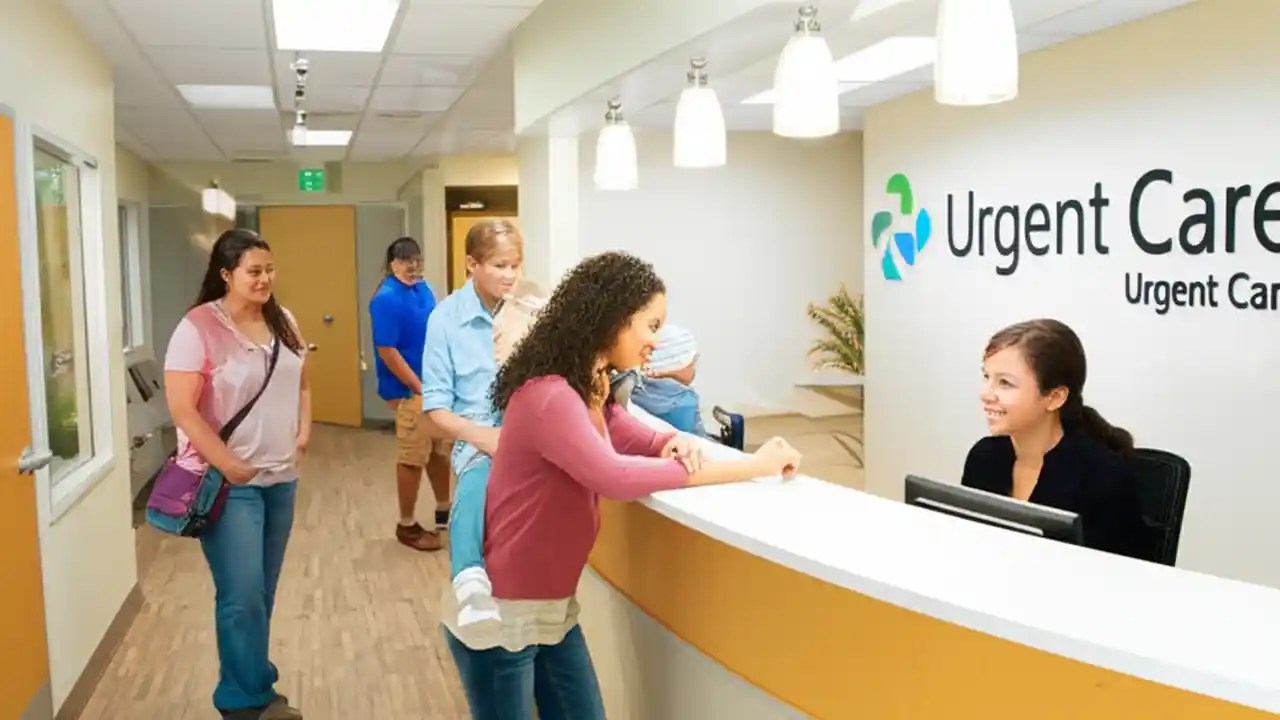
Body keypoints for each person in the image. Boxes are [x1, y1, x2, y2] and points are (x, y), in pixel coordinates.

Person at [440, 250, 803, 720]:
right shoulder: (549, 395)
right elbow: (614, 475)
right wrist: (754, 466)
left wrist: (674, 441)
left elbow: (638, 438)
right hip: (502, 617)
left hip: (552, 612)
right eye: (650, 326)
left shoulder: (589, 388)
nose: (658, 340)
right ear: (613, 319)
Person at [164, 229, 308, 720]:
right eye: (254, 271)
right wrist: (227, 464)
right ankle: (240, 701)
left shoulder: (283, 320)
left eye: (269, 269)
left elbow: (301, 380)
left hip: (280, 478)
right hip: (228, 483)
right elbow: (183, 410)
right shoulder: (198, 327)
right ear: (226, 275)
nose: (265, 278)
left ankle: (255, 681)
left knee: (261, 590)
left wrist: (303, 430)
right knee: (241, 592)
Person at [961, 318, 1145, 558]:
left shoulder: (1104, 478)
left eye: (1005, 383)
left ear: (1055, 398)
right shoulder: (984, 457)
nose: (985, 394)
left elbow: (1117, 581)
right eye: (986, 377)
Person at [421, 219, 524, 628]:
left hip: (529, 425)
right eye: (500, 265)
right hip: (477, 435)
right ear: (471, 264)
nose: (510, 275)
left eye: (516, 265)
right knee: (479, 480)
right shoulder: (445, 319)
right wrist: (485, 437)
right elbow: (436, 411)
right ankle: (469, 580)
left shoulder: (530, 311)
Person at [369, 236, 452, 551]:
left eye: (417, 261)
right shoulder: (386, 299)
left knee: (438, 451)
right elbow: (388, 351)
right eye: (406, 262)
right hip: (410, 390)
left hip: (436, 385)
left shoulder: (424, 289)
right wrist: (418, 387)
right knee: (413, 456)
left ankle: (445, 510)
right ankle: (406, 524)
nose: (413, 267)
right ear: (393, 264)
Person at [613, 322, 709, 436]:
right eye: (692, 360)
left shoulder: (627, 392)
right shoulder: (682, 403)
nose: (694, 366)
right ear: (677, 364)